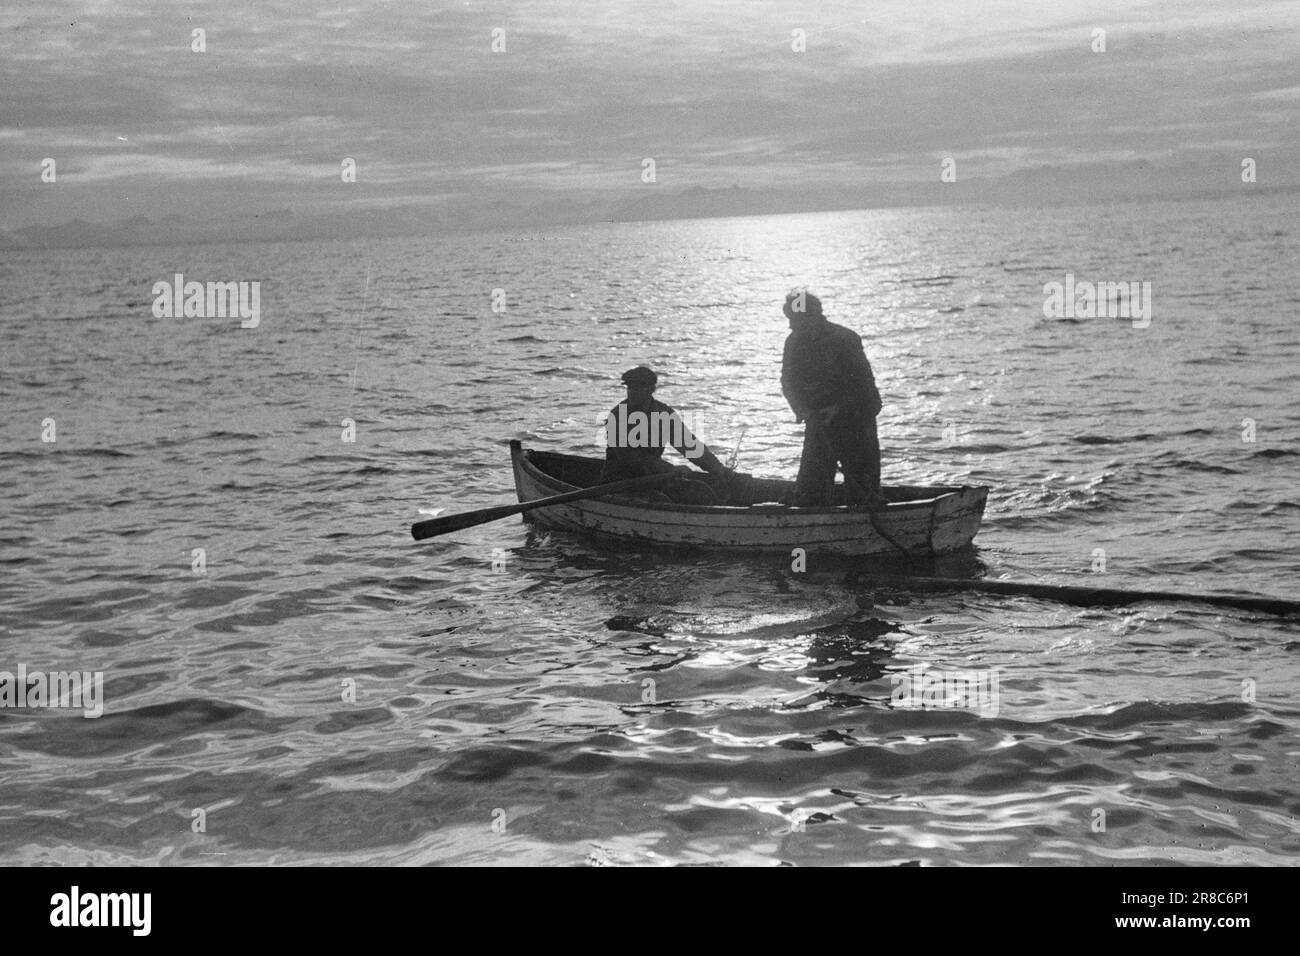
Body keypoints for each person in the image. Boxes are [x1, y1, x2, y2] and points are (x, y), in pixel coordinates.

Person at [780, 289, 884, 507]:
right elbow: (788, 382)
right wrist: (804, 411)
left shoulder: (845, 339)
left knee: (864, 493)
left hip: (856, 424)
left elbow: (867, 393)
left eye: (795, 320)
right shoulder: (794, 342)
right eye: (789, 320)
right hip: (818, 423)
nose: (790, 326)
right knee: (810, 494)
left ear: (812, 317)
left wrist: (838, 409)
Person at [601, 366, 734, 504]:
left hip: (652, 478)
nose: (631, 393)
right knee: (661, 500)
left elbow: (688, 445)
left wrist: (717, 468)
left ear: (651, 390)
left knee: (700, 491)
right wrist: (670, 469)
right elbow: (631, 458)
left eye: (637, 389)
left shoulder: (663, 414)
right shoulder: (618, 416)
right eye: (629, 388)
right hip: (619, 481)